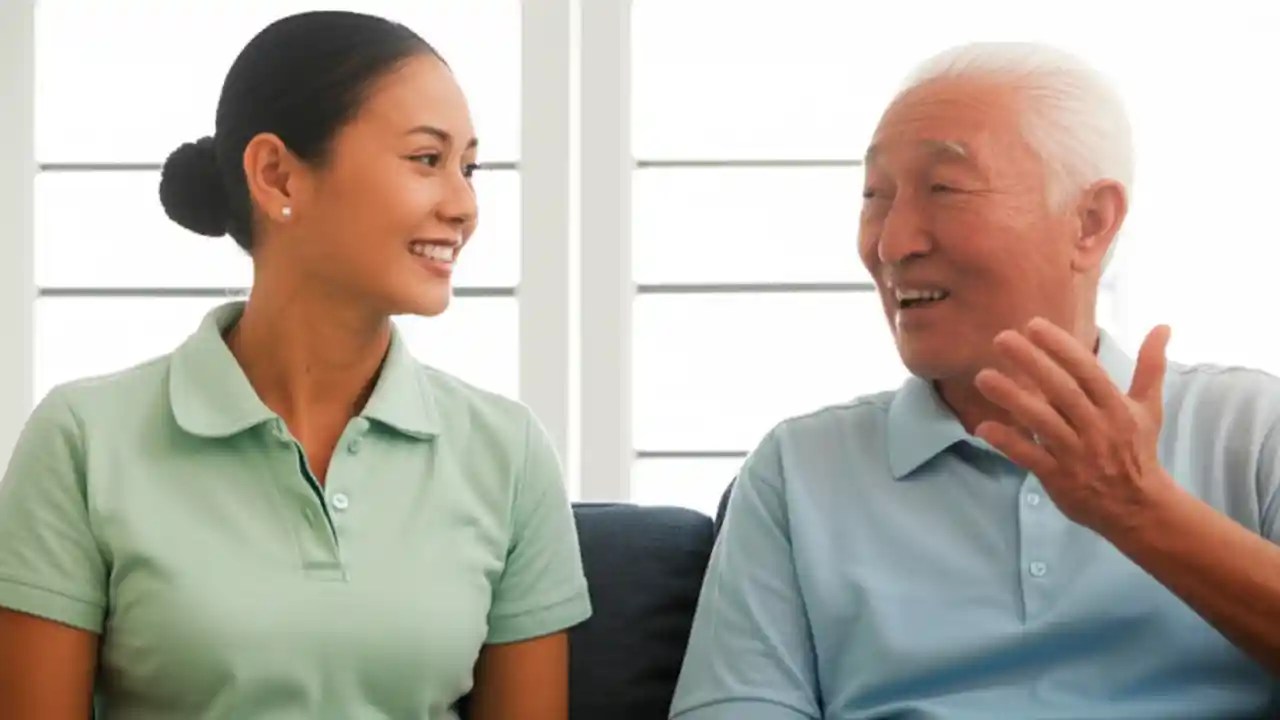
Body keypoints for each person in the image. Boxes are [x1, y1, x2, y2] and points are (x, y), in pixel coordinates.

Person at [0, 11, 590, 719]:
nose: (464, 206)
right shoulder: (83, 439)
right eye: (427, 160)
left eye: (469, 167)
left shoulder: (509, 452)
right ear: (277, 175)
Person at [670, 41, 1280, 719]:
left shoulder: (1250, 431)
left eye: (945, 190)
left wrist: (1139, 510)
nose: (892, 243)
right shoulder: (799, 469)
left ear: (1090, 223)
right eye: (875, 197)